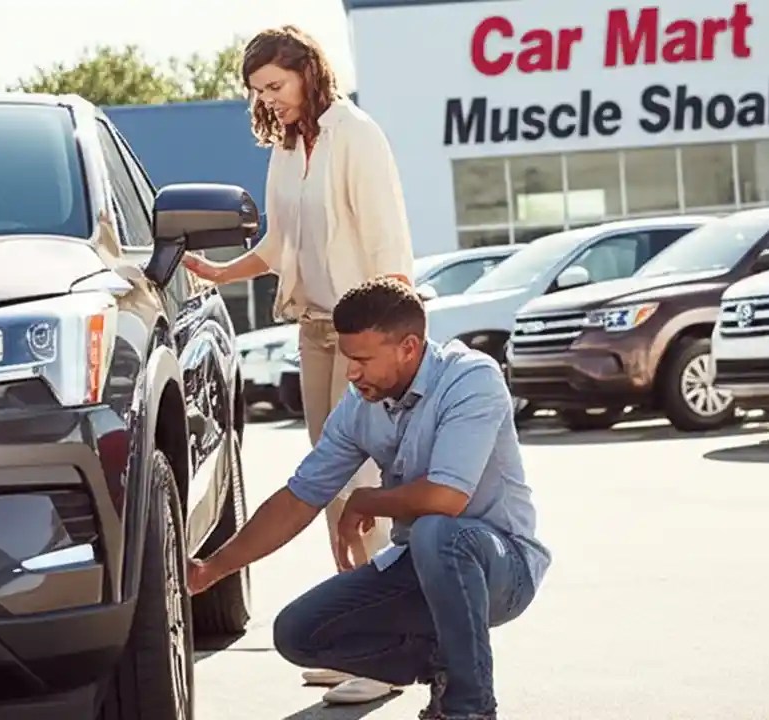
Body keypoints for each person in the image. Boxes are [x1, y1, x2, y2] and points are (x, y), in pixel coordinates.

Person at [186, 278, 550, 720]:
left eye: (362, 360)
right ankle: (446, 663)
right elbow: (300, 498)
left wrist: (366, 500)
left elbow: (446, 498)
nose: (352, 373)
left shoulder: (470, 380)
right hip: (420, 565)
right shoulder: (361, 406)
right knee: (299, 632)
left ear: (409, 348)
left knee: (439, 532)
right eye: (347, 359)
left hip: (502, 569)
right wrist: (211, 570)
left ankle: (468, 709)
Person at [180, 24, 415, 703]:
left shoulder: (356, 135)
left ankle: (387, 653)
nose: (270, 100)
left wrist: (388, 347)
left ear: (309, 72)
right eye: (258, 91)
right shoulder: (287, 147)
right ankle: (353, 642)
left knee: (366, 486)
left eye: (276, 86)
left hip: (365, 334)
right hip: (314, 332)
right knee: (329, 486)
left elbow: (389, 246)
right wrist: (217, 272)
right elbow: (280, 245)